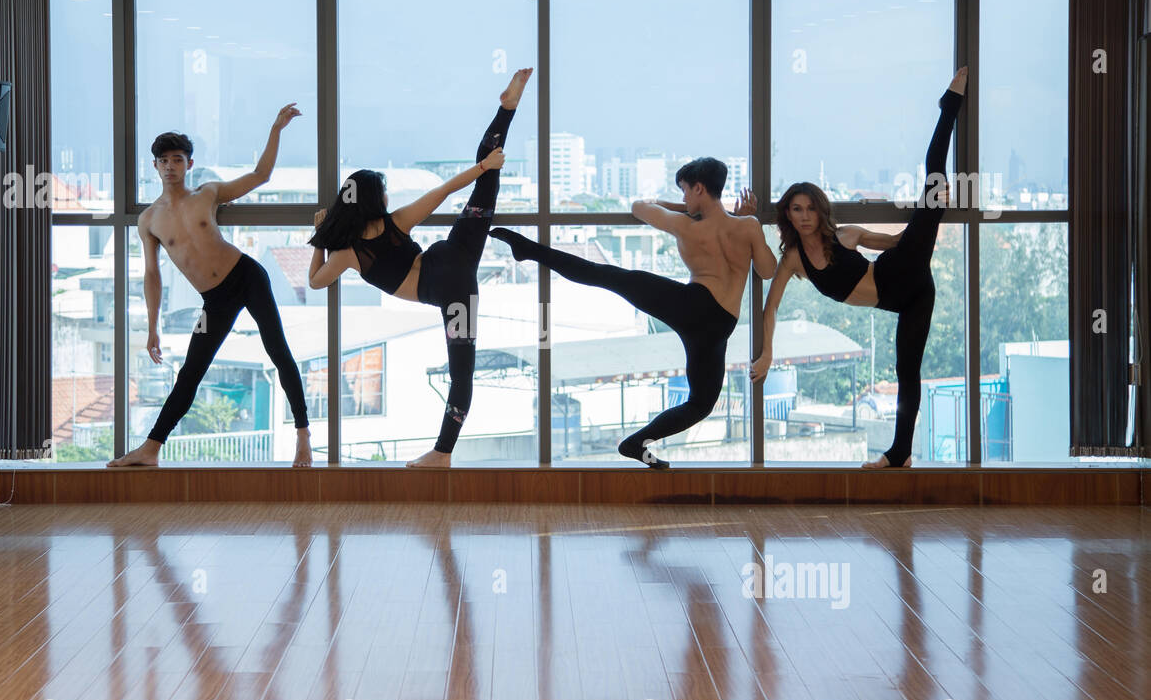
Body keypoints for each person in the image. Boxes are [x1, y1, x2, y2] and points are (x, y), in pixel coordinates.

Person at [307, 69, 532, 468]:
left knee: (462, 376)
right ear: (376, 199)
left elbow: (315, 282)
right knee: (487, 180)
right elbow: (444, 190)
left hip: (451, 288)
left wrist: (321, 238)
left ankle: (443, 453)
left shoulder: (346, 252)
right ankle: (506, 109)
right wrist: (483, 167)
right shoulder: (396, 221)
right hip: (452, 255)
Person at [749, 66, 968, 468]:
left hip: (902, 270)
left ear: (820, 209)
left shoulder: (845, 235)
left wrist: (929, 216)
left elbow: (893, 243)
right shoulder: (794, 259)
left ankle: (948, 106)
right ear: (788, 215)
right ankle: (900, 453)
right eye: (796, 210)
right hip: (908, 300)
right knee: (907, 371)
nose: (804, 216)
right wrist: (767, 354)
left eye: (810, 207)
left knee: (934, 181)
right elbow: (771, 306)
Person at [491, 166, 774, 469]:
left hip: (691, 307)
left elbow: (638, 207)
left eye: (684, 190)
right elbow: (768, 270)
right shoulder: (749, 226)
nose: (683, 198)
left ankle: (527, 249)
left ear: (700, 189)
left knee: (605, 274)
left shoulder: (685, 225)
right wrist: (735, 215)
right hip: (720, 326)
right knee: (700, 405)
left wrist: (685, 209)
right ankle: (637, 442)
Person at [109, 105, 313, 467]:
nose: (170, 166)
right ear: (155, 166)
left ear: (189, 164)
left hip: (246, 275)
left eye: (177, 159)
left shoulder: (207, 193)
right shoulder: (149, 220)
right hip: (213, 300)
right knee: (191, 370)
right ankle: (151, 449)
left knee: (277, 350)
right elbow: (152, 275)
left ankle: (303, 437)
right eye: (163, 160)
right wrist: (152, 326)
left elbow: (260, 175)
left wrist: (276, 128)